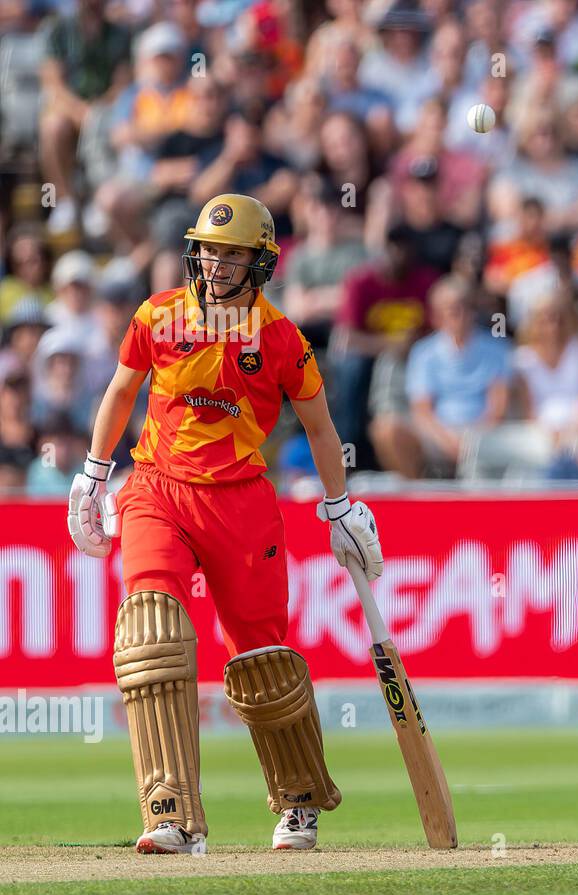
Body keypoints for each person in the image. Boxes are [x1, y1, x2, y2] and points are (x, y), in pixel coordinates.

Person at [66, 194, 383, 855]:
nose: (214, 264)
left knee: (262, 660)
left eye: (230, 252)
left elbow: (322, 428)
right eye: (207, 250)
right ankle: (172, 814)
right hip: (157, 488)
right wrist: (92, 475)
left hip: (242, 503)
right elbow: (121, 392)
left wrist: (339, 506)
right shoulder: (158, 315)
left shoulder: (281, 339)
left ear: (260, 261)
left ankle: (298, 803)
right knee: (150, 629)